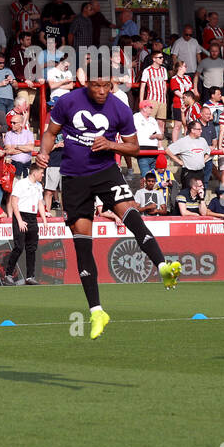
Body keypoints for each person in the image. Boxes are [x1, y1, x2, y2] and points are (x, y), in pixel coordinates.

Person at [39, 71, 178, 331]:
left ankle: (162, 265)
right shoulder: (68, 101)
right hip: (73, 178)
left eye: (106, 86)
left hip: (105, 173)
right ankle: (97, 312)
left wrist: (111, 145)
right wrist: (43, 152)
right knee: (82, 244)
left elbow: (134, 148)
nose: (102, 91)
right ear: (86, 84)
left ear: (112, 85)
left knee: (130, 213)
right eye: (96, 85)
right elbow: (50, 132)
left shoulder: (120, 108)